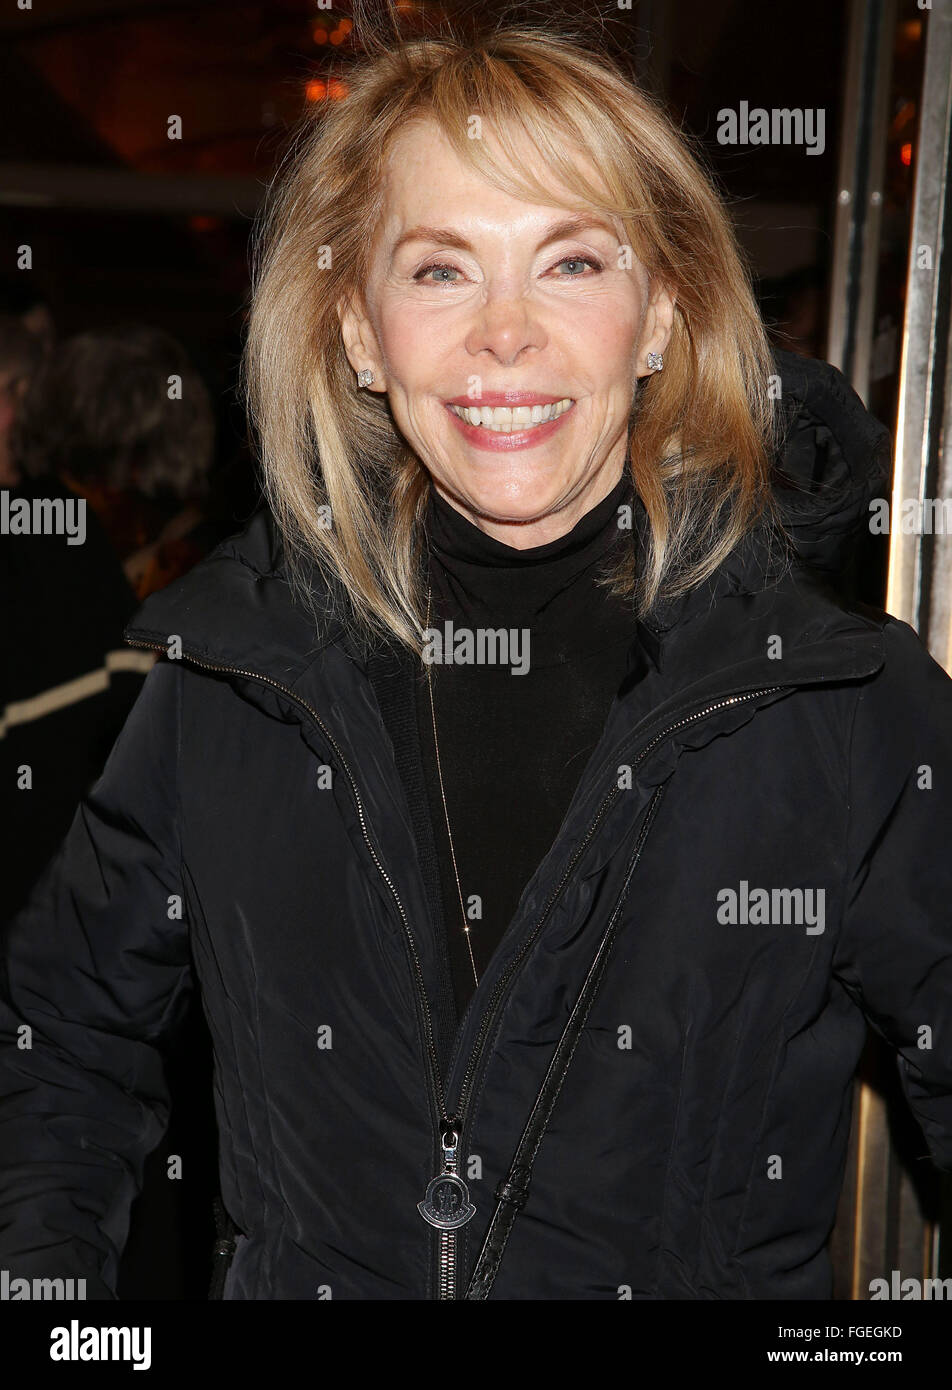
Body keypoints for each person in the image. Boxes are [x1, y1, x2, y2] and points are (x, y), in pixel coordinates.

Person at [2, 23, 951, 1303]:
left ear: (660, 314)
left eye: (568, 261)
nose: (505, 336)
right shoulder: (235, 681)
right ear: (356, 334)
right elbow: (56, 1040)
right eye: (441, 272)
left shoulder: (840, 706)